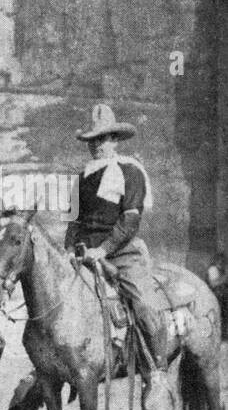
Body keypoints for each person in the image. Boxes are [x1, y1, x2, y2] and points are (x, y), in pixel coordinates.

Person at [66, 105, 167, 392]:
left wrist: (105, 249)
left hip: (122, 253)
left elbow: (130, 220)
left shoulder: (130, 170)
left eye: (103, 139)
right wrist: (69, 249)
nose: (97, 145)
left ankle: (157, 372)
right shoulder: (81, 176)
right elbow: (73, 221)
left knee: (144, 304)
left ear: (115, 140)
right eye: (92, 140)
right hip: (84, 254)